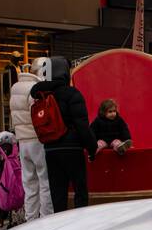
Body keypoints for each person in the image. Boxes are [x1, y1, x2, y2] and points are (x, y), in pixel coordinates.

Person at [30, 56, 97, 212]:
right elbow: (82, 125)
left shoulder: (41, 95)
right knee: (79, 189)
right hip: (72, 149)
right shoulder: (72, 94)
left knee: (57, 192)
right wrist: (92, 148)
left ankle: (59, 226)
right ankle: (80, 223)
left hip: (50, 148)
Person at [9, 64, 53, 220]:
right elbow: (38, 114)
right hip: (36, 139)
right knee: (44, 181)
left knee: (28, 183)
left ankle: (30, 219)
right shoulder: (35, 88)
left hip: (22, 140)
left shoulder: (15, 88)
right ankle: (46, 217)